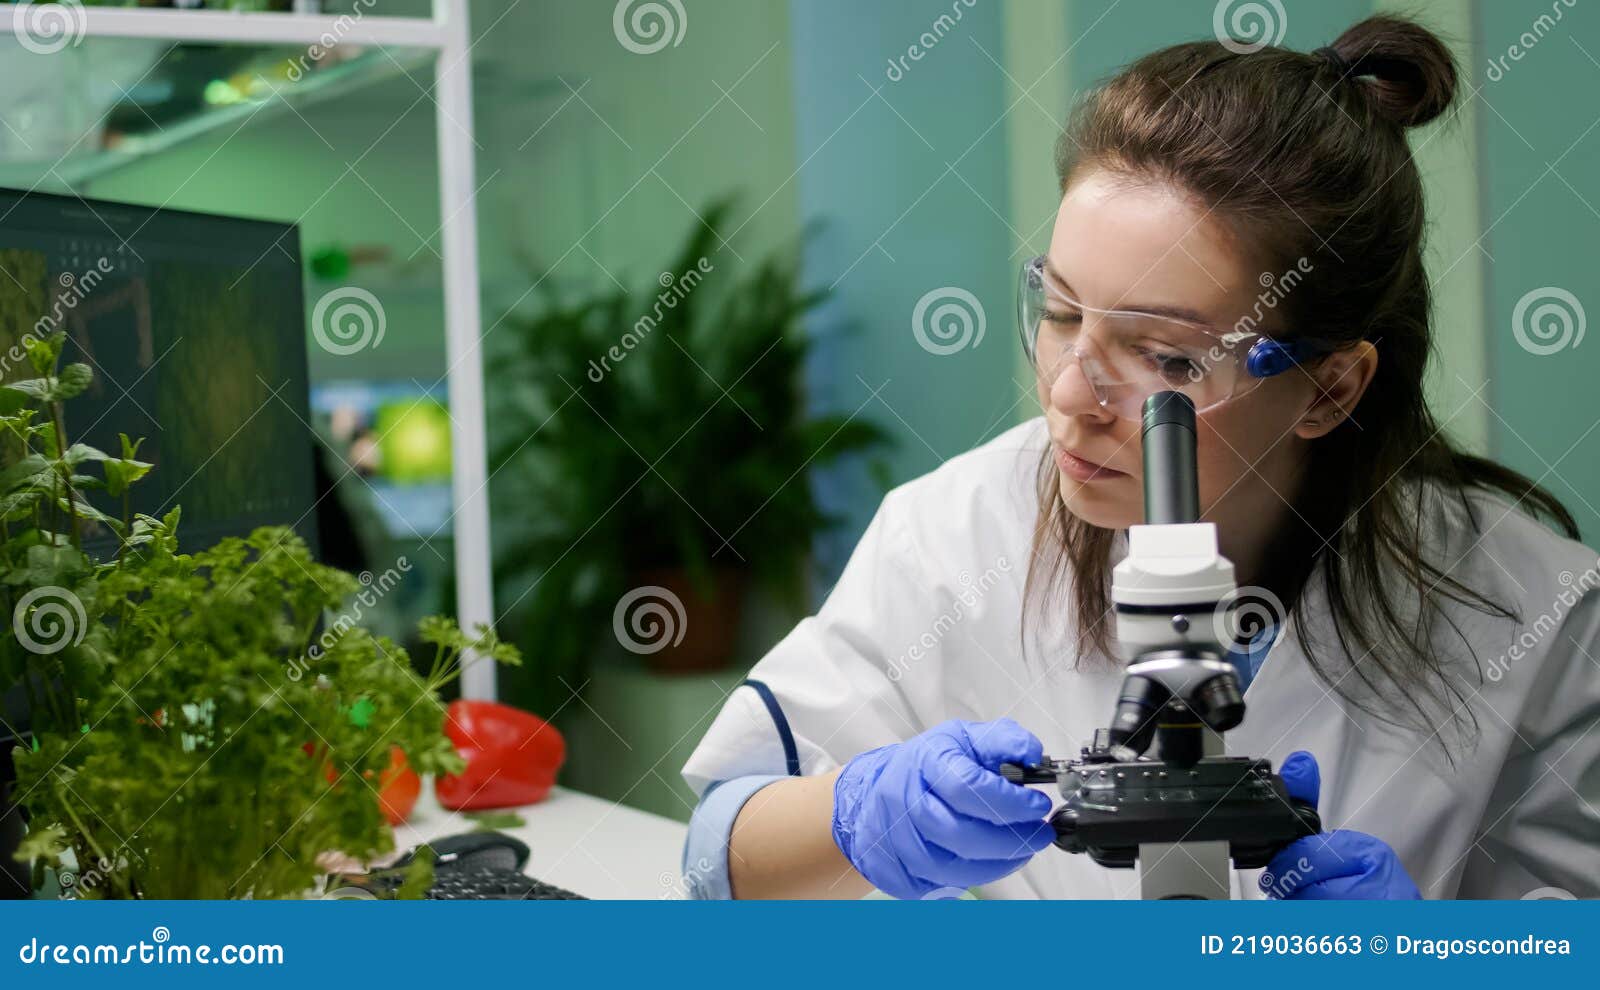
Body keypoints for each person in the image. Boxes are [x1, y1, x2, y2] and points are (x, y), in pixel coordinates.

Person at [679, 15, 1600, 900]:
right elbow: (720, 853)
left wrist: (1428, 956)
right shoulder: (958, 531)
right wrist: (856, 820)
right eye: (1062, 313)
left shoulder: (1537, 616)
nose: (1073, 396)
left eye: (1168, 358)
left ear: (1330, 388)